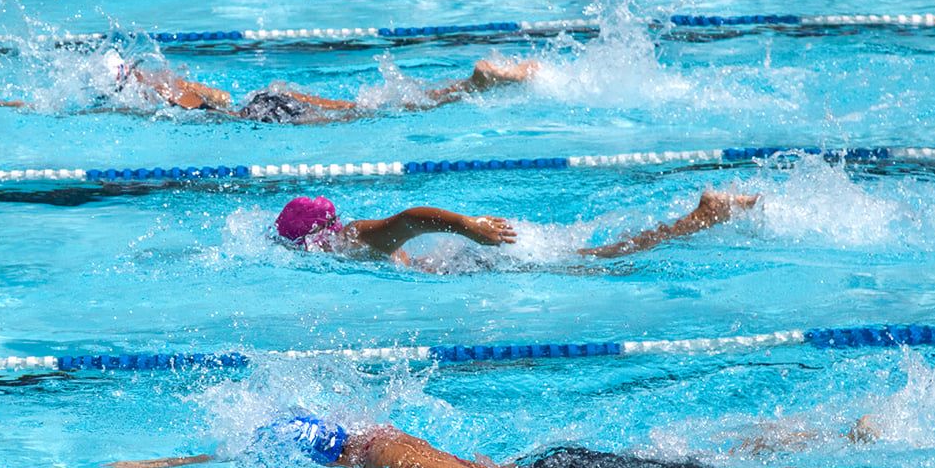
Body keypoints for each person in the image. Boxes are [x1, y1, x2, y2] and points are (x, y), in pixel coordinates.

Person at [101, 400, 878, 468]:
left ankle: (837, 463)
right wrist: (157, 466)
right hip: (548, 461)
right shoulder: (362, 439)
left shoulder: (373, 455)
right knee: (691, 463)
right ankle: (831, 434)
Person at [0, 54, 540, 124]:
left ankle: (470, 85)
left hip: (263, 118)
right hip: (261, 97)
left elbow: (56, 110)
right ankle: (465, 83)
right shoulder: (164, 77)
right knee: (374, 106)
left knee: (374, 117)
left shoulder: (152, 98)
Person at [271, 187, 756, 266]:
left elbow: (410, 218)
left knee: (598, 260)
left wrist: (471, 227)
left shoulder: (351, 240)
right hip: (470, 258)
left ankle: (700, 219)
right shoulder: (347, 236)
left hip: (482, 258)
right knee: (593, 254)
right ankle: (698, 219)